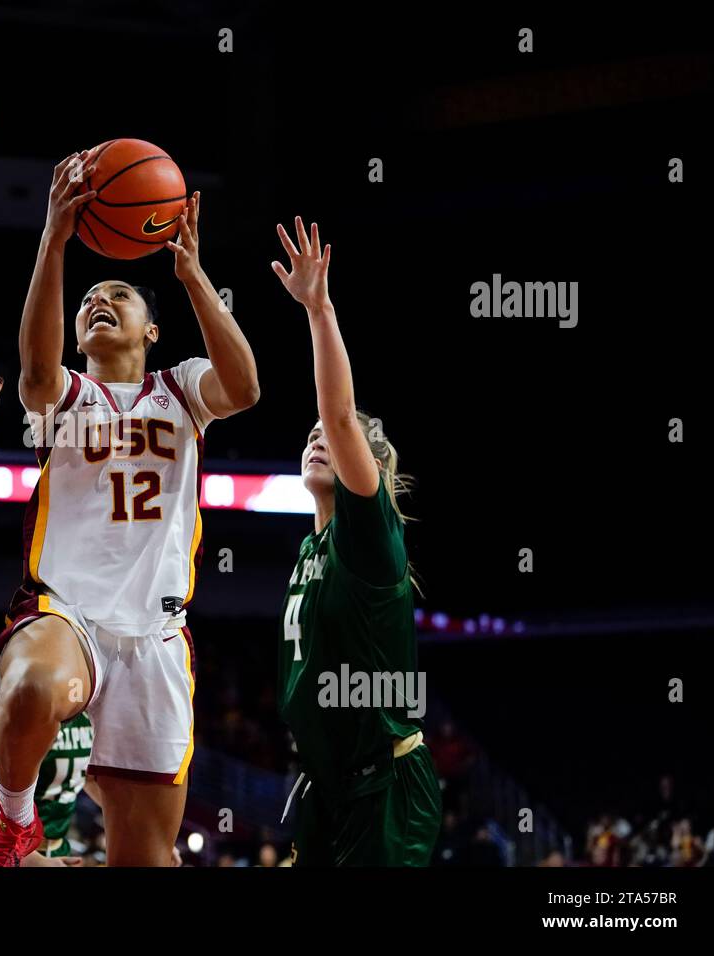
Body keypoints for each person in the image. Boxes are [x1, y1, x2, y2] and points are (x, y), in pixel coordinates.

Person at [0, 168, 260, 866]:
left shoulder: (182, 387)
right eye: (90, 299)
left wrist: (193, 274)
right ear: (77, 334)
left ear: (152, 330)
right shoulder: (65, 394)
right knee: (32, 689)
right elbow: (35, 371)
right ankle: (16, 823)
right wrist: (53, 241)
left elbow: (246, 388)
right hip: (66, 612)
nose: (100, 300)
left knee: (145, 855)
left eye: (120, 294)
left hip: (157, 636)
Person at [270, 216, 440, 866]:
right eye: (308, 434)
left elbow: (340, 413)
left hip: (387, 785)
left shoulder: (369, 539)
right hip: (333, 784)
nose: (320, 436)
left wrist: (319, 309)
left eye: (336, 440)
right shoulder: (309, 553)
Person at [0, 704, 95, 866]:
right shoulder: (22, 704)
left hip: (55, 851)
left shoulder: (89, 705)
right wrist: (32, 861)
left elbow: (86, 777)